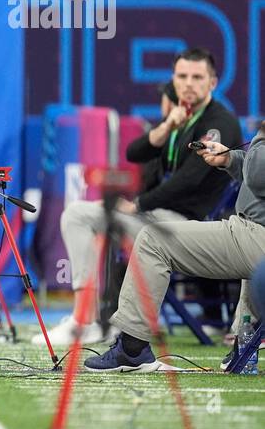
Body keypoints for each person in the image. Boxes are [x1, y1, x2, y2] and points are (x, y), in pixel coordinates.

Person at [35, 49, 241, 349]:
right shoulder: (179, 118)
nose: (188, 83)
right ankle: (86, 318)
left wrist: (137, 205)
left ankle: (100, 323)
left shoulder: (219, 122)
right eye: (182, 76)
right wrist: (167, 126)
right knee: (77, 214)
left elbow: (188, 181)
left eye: (197, 77)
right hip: (155, 216)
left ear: (212, 82)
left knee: (113, 223)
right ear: (173, 79)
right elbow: (134, 153)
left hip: (186, 224)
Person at [86, 125, 265, 371]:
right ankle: (244, 347)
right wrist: (230, 159)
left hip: (256, 234)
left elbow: (257, 173)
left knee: (153, 240)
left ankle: (131, 348)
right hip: (253, 232)